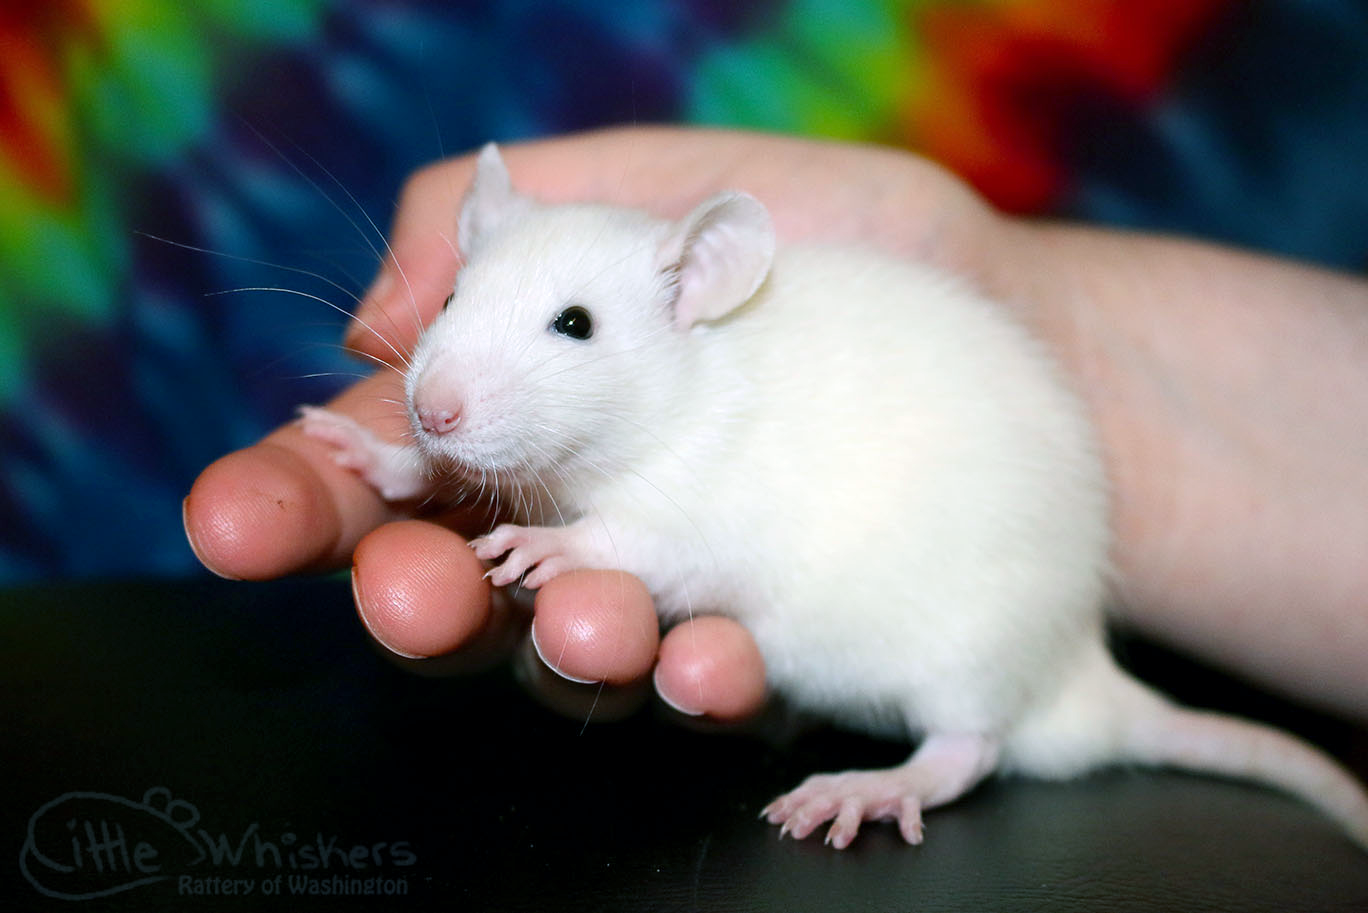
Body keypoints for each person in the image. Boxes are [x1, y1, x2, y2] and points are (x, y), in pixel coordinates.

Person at [183, 126, 1368, 724]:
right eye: (454, 304)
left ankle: (961, 741)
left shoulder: (727, 415)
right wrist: (402, 453)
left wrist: (596, 548)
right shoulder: (620, 408)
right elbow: (509, 468)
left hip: (958, 603)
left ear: (697, 288)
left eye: (575, 327)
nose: (440, 386)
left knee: (870, 641)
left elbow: (707, 543)